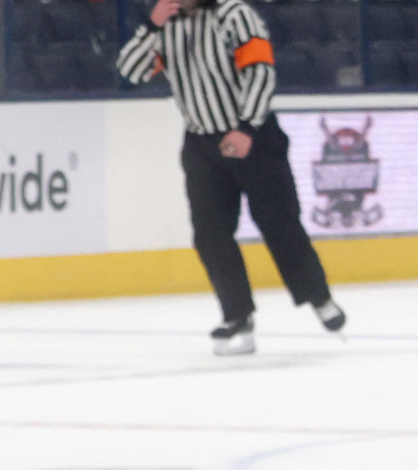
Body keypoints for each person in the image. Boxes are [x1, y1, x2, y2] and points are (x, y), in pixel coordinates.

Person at [117, 0, 344, 356]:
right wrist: (151, 26)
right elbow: (129, 74)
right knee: (209, 233)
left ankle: (318, 296)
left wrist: (246, 127)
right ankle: (237, 315)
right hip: (201, 143)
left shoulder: (234, 14)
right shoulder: (164, 26)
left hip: (254, 136)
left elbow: (261, 72)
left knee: (278, 222)